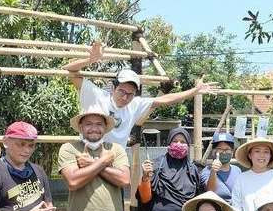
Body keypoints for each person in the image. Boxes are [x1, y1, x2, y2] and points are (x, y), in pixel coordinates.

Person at [64, 41, 218, 147]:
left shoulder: (135, 104)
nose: (125, 97)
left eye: (130, 94)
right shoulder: (96, 95)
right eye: (122, 91)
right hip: (88, 154)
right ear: (113, 88)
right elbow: (69, 70)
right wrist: (91, 59)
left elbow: (165, 100)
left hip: (114, 160)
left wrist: (195, 91)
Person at [58, 104, 132, 211]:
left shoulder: (115, 149)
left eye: (99, 124)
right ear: (80, 127)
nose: (94, 128)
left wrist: (92, 163)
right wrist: (104, 162)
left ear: (105, 128)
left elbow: (124, 180)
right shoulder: (69, 148)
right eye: (88, 124)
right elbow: (73, 181)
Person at [138, 127, 203, 211]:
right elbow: (145, 199)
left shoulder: (193, 170)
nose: (178, 144)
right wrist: (145, 177)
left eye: (182, 141)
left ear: (188, 145)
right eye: (175, 141)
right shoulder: (155, 165)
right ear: (169, 143)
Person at [201, 131, 242, 200]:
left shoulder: (237, 170)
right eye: (219, 149)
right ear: (213, 151)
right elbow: (210, 192)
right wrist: (213, 172)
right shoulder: (207, 171)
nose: (224, 152)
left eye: (227, 149)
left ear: (232, 152)